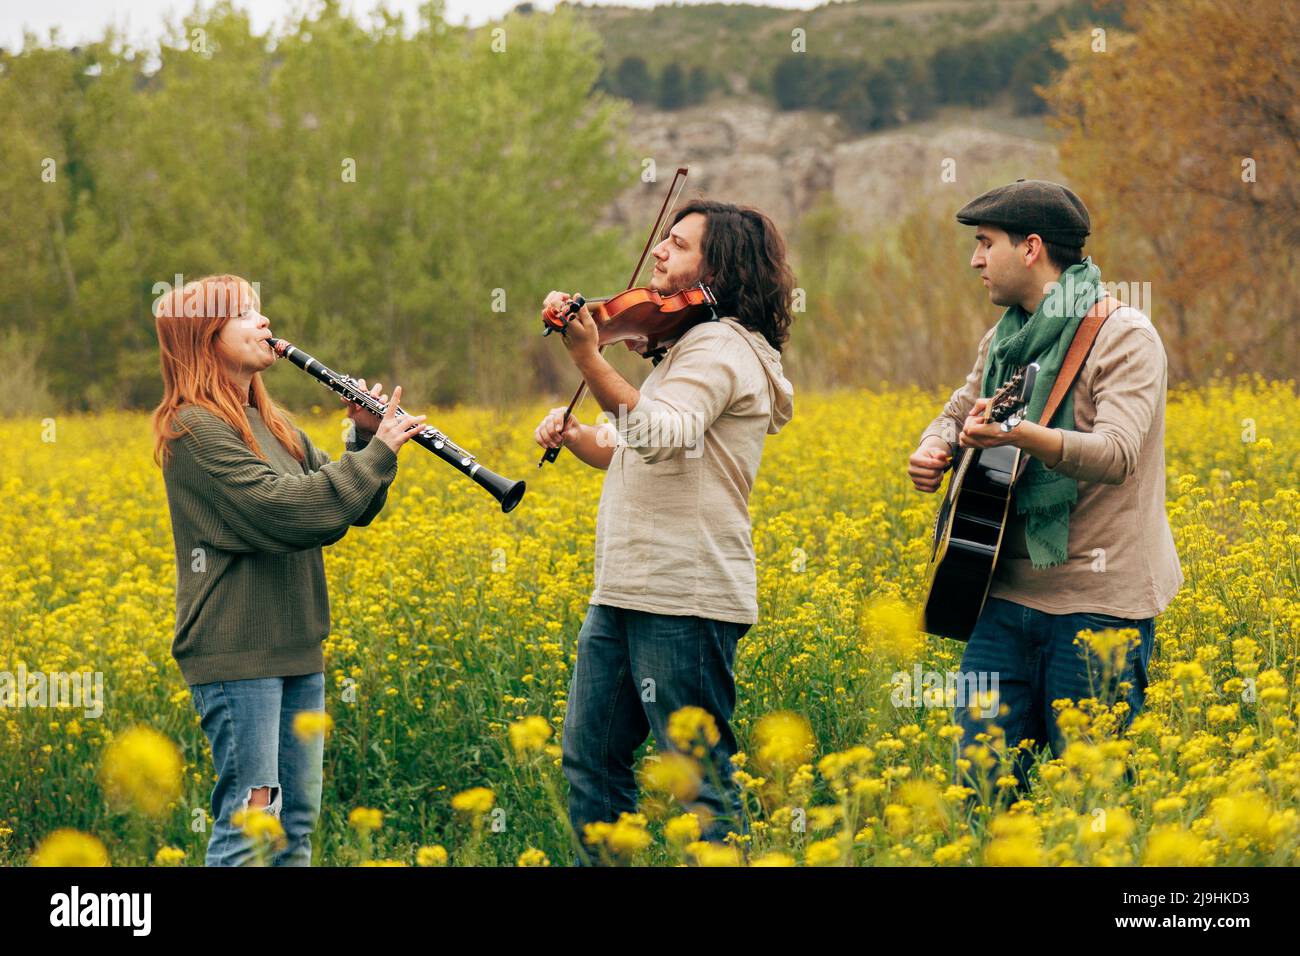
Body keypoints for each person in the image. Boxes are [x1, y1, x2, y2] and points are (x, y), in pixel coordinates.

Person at [535, 200, 795, 862]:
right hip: (625, 590)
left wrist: (591, 360)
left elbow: (657, 431)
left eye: (677, 246)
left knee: (699, 785)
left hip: (687, 595)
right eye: (665, 242)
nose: (659, 254)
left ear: (720, 266)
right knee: (591, 762)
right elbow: (631, 444)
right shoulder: (680, 347)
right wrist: (579, 435)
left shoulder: (720, 348)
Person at [908, 181, 1183, 807]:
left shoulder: (1123, 335)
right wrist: (934, 449)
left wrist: (1023, 434)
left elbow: (1118, 454)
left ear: (1031, 248)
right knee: (979, 797)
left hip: (1097, 609)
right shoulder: (1006, 337)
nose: (974, 260)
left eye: (985, 244)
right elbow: (957, 410)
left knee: (1095, 806)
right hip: (997, 601)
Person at [151, 273, 427, 865]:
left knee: (294, 827)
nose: (265, 324)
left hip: (297, 647)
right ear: (205, 336)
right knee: (254, 825)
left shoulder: (277, 427)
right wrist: (379, 453)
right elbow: (283, 511)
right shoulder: (192, 428)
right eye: (246, 314)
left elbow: (348, 505)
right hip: (237, 653)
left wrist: (363, 436)